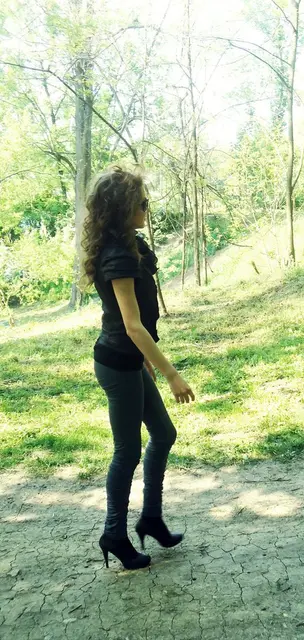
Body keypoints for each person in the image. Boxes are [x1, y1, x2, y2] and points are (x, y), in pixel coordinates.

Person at [82, 166, 195, 570]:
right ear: (122, 208)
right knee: (127, 451)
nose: (147, 208)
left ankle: (151, 518)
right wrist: (171, 374)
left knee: (163, 434)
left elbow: (139, 321)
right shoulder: (116, 256)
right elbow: (132, 325)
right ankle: (114, 532)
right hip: (117, 364)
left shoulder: (132, 246)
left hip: (131, 360)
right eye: (141, 203)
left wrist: (146, 360)